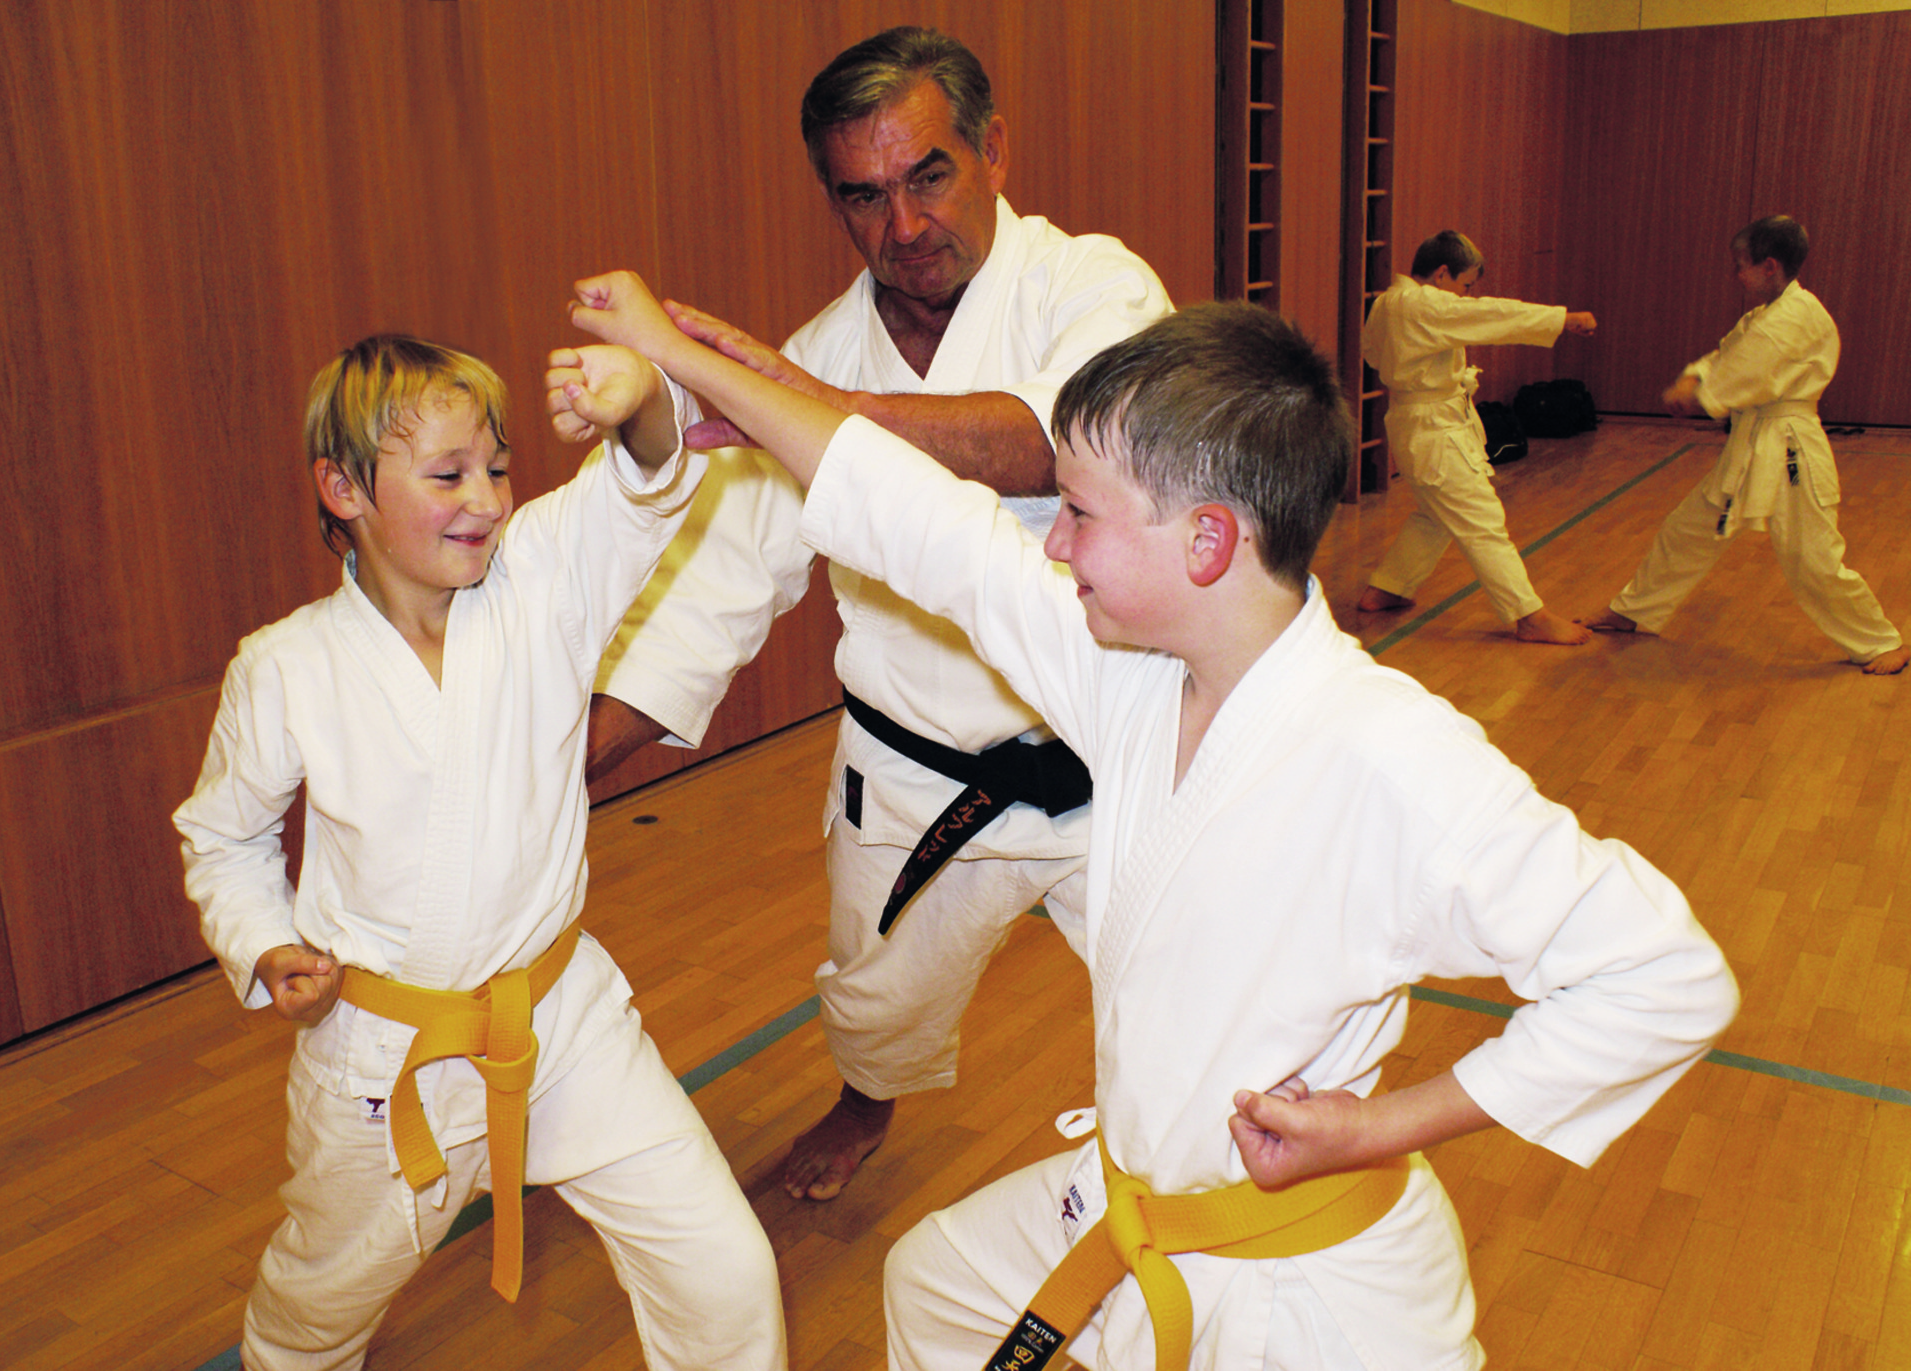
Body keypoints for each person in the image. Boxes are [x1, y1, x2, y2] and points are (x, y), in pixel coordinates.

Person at [567, 272, 1739, 1370]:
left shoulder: (1388, 757)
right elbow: (935, 531)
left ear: (1207, 541)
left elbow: (1662, 978)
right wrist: (703, 368)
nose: (1053, 543)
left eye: (1074, 512)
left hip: (1313, 1289)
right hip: (1138, 1198)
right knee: (935, 1283)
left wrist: (1380, 1125)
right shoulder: (1129, 676)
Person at [585, 26, 1173, 1201]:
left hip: (1112, 753)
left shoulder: (1092, 285)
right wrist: (557, 767)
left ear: (992, 149)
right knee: (871, 1001)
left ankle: (1193, 1166)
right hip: (911, 772)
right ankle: (864, 1105)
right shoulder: (811, 357)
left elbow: (1060, 437)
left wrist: (807, 409)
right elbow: (714, 596)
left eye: (928, 176)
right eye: (862, 197)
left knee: (1192, 988)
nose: (902, 228)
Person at [173, 336, 785, 1371]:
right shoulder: (285, 668)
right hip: (386, 1050)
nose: (489, 500)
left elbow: (639, 483)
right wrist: (266, 947)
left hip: (559, 1014)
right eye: (448, 473)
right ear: (343, 488)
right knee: (322, 1299)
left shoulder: (541, 581)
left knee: (721, 1265)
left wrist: (638, 404)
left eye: (497, 468)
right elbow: (222, 837)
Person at [1584, 216, 1907, 675]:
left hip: (1790, 448)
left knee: (1810, 555)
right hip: (1755, 444)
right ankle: (1634, 610)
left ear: (1770, 266)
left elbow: (1743, 373)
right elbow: (1725, 355)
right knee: (1689, 528)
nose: (1736, 275)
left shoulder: (1794, 318)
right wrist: (1696, 376)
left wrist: (1696, 395)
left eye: (1741, 265)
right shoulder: (1766, 315)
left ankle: (1879, 642)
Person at [1355, 230, 1598, 645]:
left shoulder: (1386, 304)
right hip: (1434, 428)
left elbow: (1372, 355)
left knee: (1436, 513)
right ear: (1442, 273)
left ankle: (1389, 587)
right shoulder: (1425, 303)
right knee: (1483, 522)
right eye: (1464, 286)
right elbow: (1491, 316)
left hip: (1414, 420)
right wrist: (1561, 319)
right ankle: (1529, 616)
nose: (1464, 298)